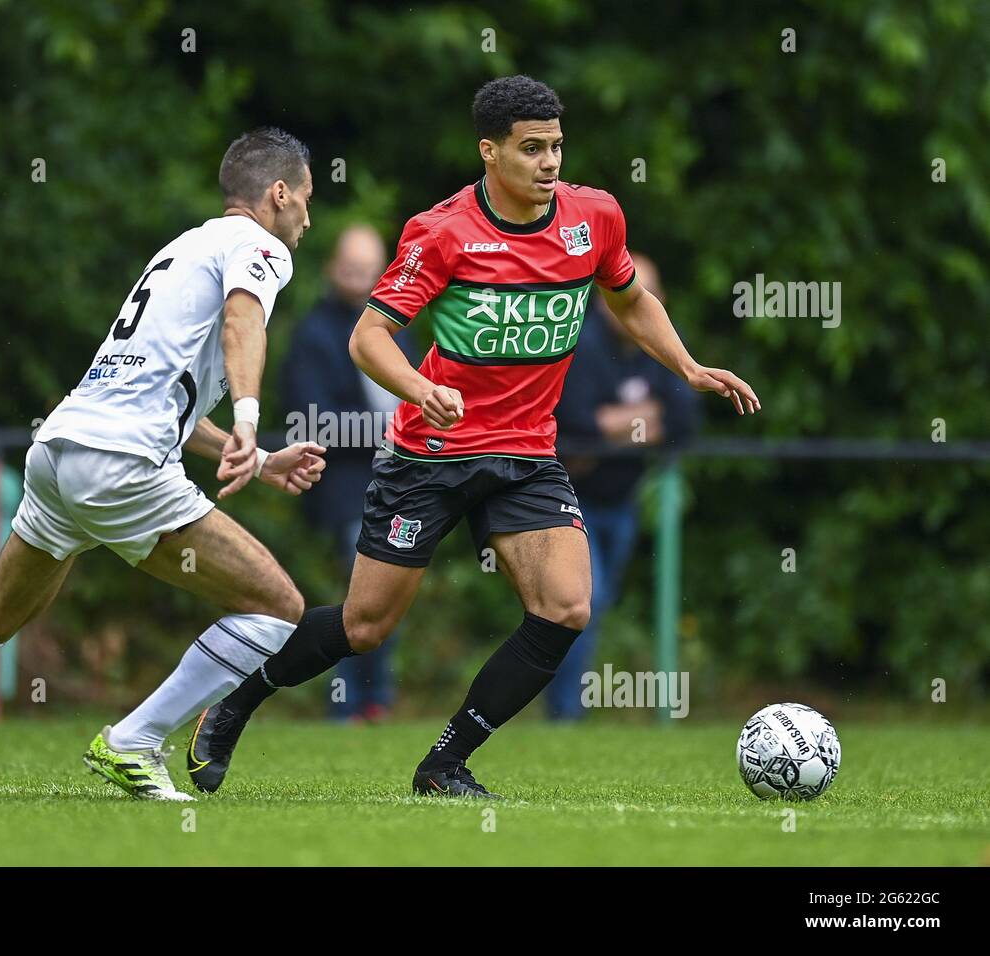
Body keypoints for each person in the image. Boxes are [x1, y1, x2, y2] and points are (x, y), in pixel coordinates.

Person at [187, 75, 759, 798]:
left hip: (526, 454)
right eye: (531, 149)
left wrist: (687, 366)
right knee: (365, 627)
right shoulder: (444, 231)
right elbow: (370, 340)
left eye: (556, 146)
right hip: (431, 455)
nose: (550, 162)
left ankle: (444, 763)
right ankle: (235, 703)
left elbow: (629, 296)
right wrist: (421, 389)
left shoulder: (595, 218)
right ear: (490, 152)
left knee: (566, 608)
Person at [0, 127, 326, 801]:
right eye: (304, 198)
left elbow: (164, 395)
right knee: (276, 606)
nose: (307, 215)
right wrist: (247, 417)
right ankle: (132, 742)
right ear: (277, 193)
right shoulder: (259, 246)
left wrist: (258, 459)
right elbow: (245, 323)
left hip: (60, 449)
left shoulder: (184, 246)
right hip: (120, 463)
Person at [545, 252, 699, 719]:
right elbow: (574, 423)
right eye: (626, 294)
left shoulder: (666, 347)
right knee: (580, 604)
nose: (635, 302)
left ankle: (567, 711)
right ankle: (564, 714)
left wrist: (614, 422)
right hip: (571, 497)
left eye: (646, 294)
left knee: (594, 605)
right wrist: (646, 418)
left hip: (625, 500)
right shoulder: (581, 344)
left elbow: (685, 421)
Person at [279, 224, 419, 721]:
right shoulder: (314, 334)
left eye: (368, 269)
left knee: (385, 600)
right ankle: (347, 702)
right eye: (350, 267)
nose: (359, 279)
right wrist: (388, 428)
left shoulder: (403, 327)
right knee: (363, 601)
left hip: (401, 487)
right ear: (332, 268)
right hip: (345, 493)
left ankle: (372, 700)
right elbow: (310, 420)